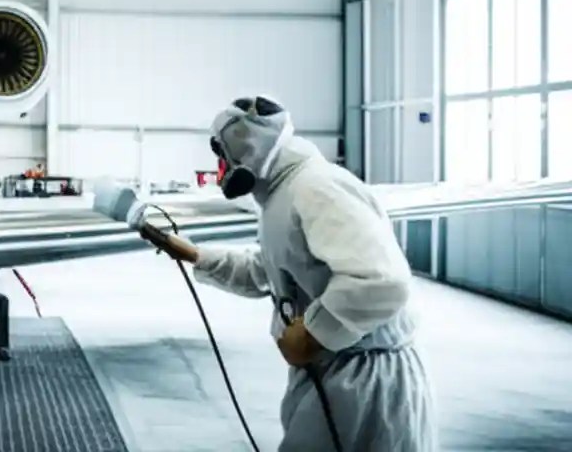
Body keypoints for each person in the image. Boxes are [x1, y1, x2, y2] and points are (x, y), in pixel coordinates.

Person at [151, 96, 436, 451]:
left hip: (365, 379)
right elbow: (268, 271)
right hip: (333, 369)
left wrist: (315, 331)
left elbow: (381, 281)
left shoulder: (317, 187)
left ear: (247, 149)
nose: (221, 166)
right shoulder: (281, 195)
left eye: (223, 154)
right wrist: (196, 255)